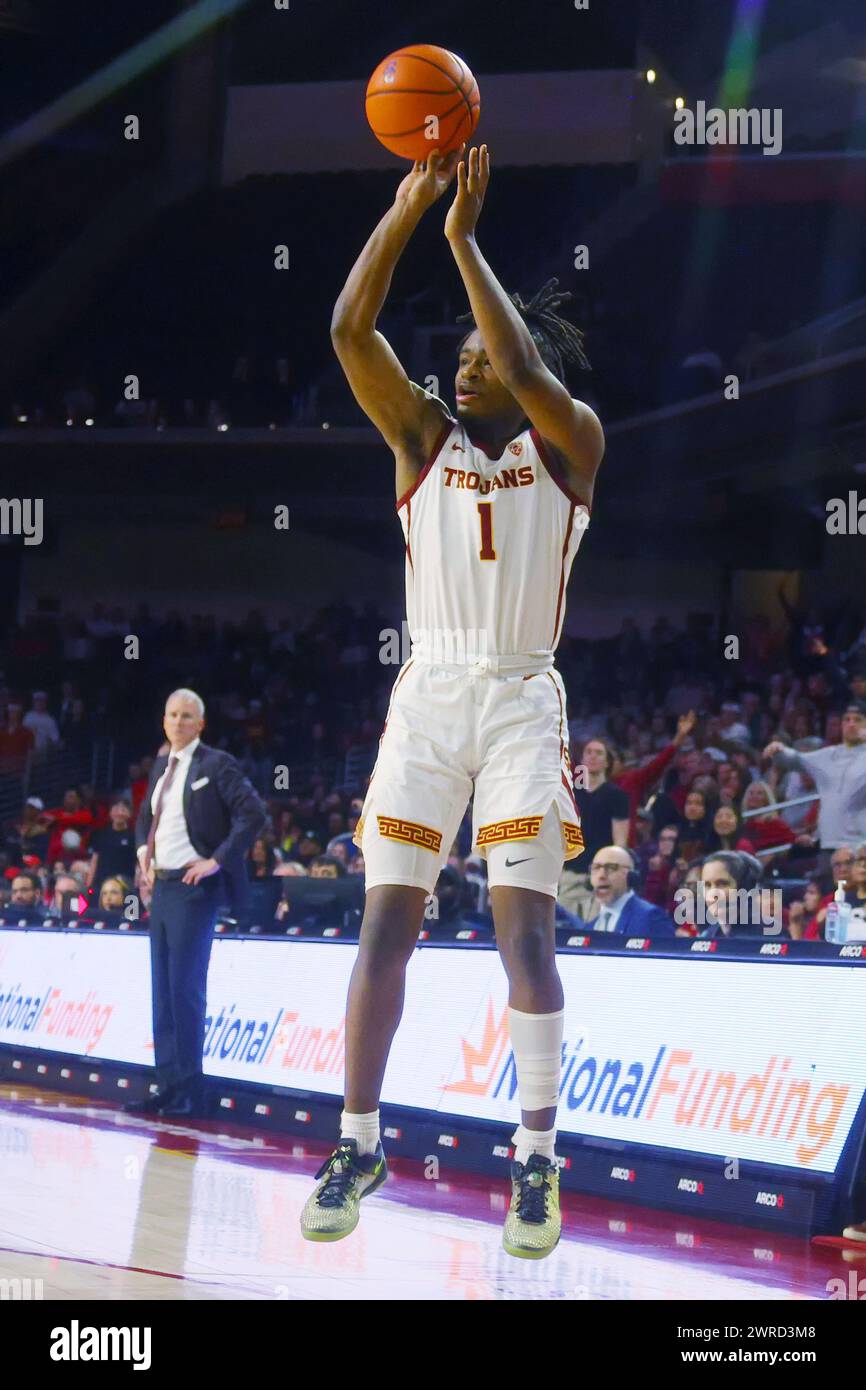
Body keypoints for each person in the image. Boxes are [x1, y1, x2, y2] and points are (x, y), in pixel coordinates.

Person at [300, 144, 604, 1259]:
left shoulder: (571, 444)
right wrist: (402, 210)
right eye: (460, 355)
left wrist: (466, 241)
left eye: (483, 357)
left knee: (522, 933)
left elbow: (525, 365)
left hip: (521, 697)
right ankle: (359, 1138)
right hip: (429, 691)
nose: (466, 366)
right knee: (387, 924)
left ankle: (533, 1159)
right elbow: (348, 332)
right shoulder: (422, 438)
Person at [127, 689, 266, 1118]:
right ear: (164, 720)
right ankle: (167, 1085)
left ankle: (191, 1091)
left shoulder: (216, 763)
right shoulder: (161, 764)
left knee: (186, 990)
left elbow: (253, 813)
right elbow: (145, 819)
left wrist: (216, 861)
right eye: (172, 714)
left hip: (194, 889)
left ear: (200, 724)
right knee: (163, 992)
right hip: (164, 887)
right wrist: (142, 854)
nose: (179, 722)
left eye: (188, 716)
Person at [764, 702, 866, 862]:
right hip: (827, 846)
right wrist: (778, 750)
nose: (851, 724)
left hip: (859, 848)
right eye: (847, 719)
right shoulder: (827, 756)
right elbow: (794, 759)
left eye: (857, 720)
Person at [559, 738, 629, 920]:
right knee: (563, 928)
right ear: (582, 759)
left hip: (600, 875)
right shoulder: (571, 793)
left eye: (599, 753)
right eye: (588, 752)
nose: (593, 756)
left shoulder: (616, 795)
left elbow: (620, 843)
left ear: (607, 762)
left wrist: (612, 872)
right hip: (569, 873)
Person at [585, 846, 675, 936]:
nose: (601, 875)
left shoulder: (652, 918)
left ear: (631, 876)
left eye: (611, 867)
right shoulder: (589, 928)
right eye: (596, 868)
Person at [88, 798, 137, 896]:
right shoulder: (101, 834)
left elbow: (137, 863)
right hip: (100, 884)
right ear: (110, 813)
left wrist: (135, 886)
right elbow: (94, 860)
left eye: (123, 810)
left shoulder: (133, 836)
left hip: (125, 885)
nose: (119, 813)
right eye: (116, 810)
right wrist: (88, 884)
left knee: (126, 911)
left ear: (130, 814)